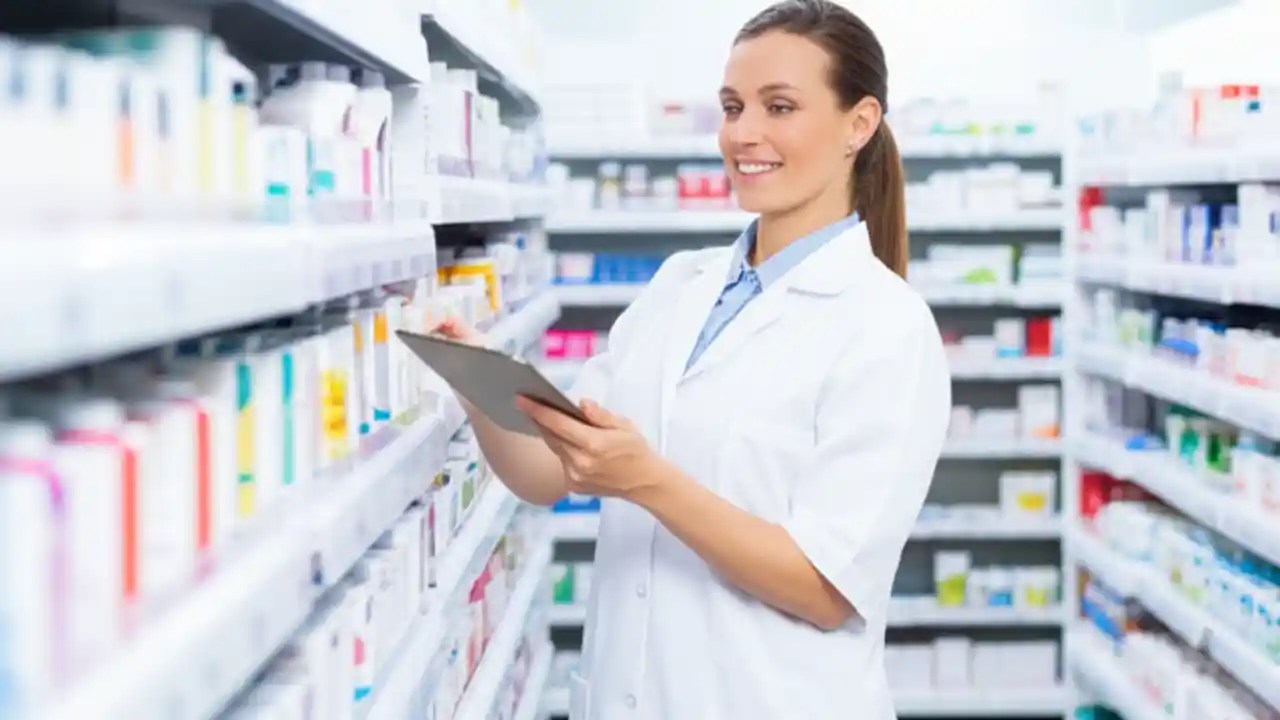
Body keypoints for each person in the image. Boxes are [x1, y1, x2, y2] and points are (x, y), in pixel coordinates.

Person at [434, 1, 950, 717]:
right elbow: (548, 472)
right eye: (733, 106)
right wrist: (475, 380)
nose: (744, 134)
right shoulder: (681, 285)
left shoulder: (887, 326)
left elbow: (827, 589)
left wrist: (647, 482)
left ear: (858, 125)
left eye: (780, 107)